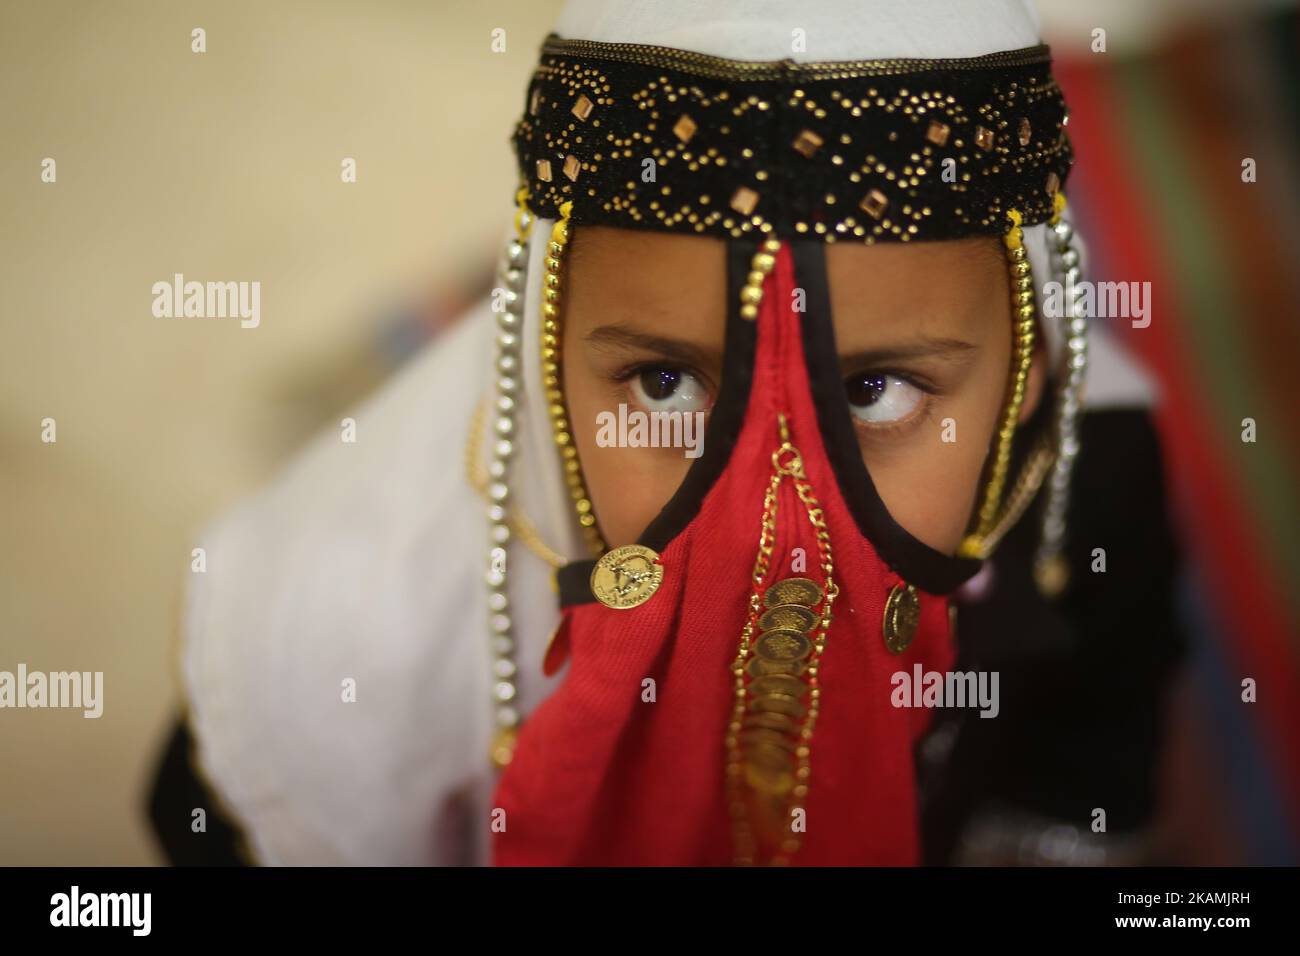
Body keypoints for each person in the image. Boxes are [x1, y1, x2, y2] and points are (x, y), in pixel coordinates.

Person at [149, 0, 1185, 866]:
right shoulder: (339, 630)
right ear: (540, 346)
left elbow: (1084, 766)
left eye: (874, 390)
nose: (769, 507)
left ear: (1032, 368)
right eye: (659, 381)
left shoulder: (1085, 488)